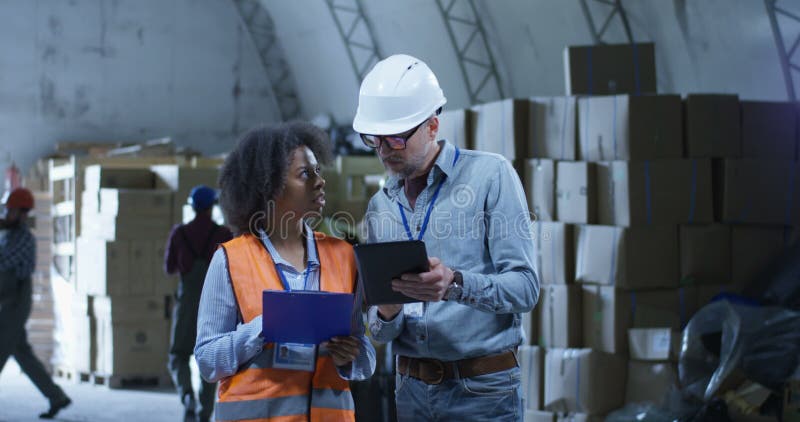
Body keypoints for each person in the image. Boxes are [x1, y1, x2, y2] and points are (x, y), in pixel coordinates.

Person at [353, 54, 539, 421]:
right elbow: (380, 328)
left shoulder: (490, 177)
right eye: (373, 139)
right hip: (410, 392)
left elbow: (525, 288)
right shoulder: (380, 208)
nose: (384, 150)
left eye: (396, 137)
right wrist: (386, 312)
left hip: (482, 392)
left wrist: (454, 283)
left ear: (433, 126)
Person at [194, 122, 376, 421]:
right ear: (269, 186)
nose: (320, 182)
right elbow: (207, 361)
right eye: (305, 174)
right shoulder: (230, 259)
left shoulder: (343, 256)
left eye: (318, 171)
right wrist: (264, 327)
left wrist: (352, 356)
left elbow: (365, 355)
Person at [0, 188, 72, 419]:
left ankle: (56, 396)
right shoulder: (8, 235)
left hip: (15, 303)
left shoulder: (23, 238)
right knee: (22, 353)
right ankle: (56, 396)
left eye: (11, 211)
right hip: (6, 300)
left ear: (22, 214)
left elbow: (2, 262)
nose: (7, 214)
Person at [164, 185, 233, 421]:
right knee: (211, 357)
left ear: (192, 206)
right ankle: (204, 413)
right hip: (216, 306)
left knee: (177, 355)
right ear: (213, 206)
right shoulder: (223, 234)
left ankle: (187, 397)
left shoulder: (179, 233)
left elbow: (169, 267)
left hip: (187, 303)